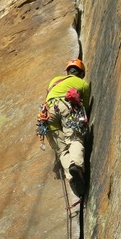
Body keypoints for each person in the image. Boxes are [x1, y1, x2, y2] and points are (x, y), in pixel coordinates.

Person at [42, 59, 90, 199]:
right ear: (81, 73)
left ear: (68, 71)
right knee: (74, 138)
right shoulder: (82, 84)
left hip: (48, 112)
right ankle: (76, 165)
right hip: (66, 106)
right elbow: (85, 107)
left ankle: (72, 177)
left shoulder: (55, 80)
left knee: (61, 150)